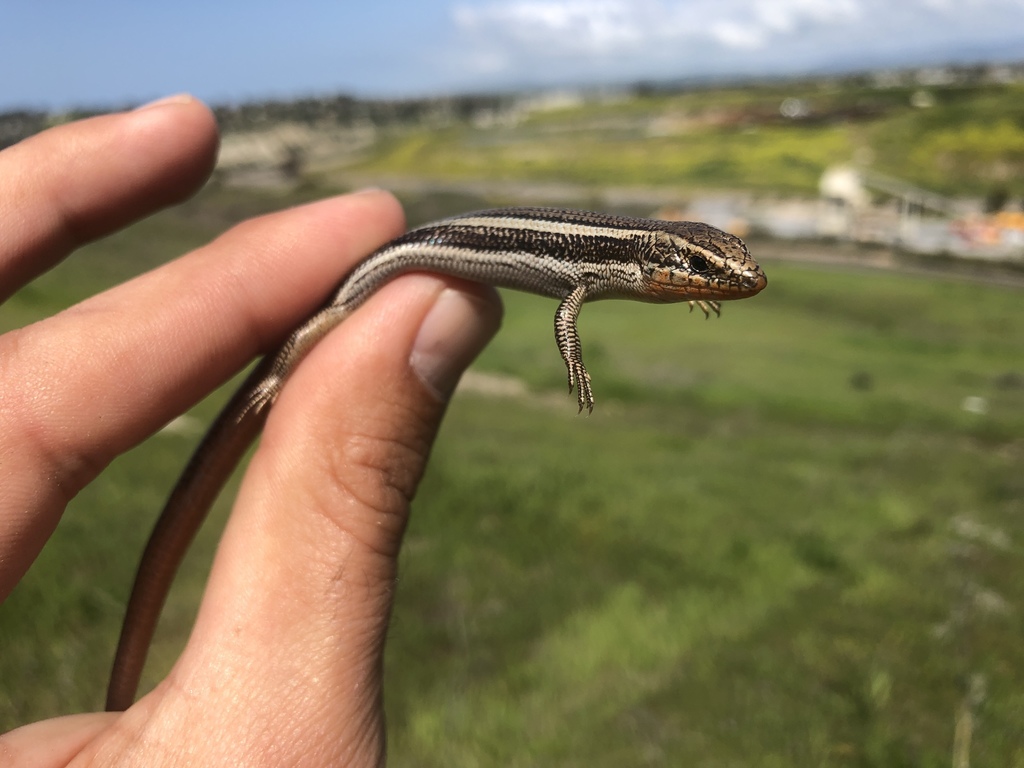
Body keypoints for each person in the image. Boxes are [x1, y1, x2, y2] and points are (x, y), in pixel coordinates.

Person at [0, 95, 502, 766]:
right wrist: (278, 375)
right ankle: (117, 700)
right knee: (319, 335)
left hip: (392, 265)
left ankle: (119, 702)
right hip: (360, 286)